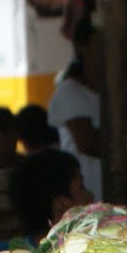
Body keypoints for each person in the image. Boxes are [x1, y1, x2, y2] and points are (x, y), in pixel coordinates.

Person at [46, 15, 103, 200]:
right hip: (87, 197)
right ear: (82, 47)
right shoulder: (70, 91)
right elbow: (87, 143)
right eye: (101, 43)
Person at [8, 146, 91, 241]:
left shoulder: (7, 248)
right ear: (61, 205)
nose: (91, 195)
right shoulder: (89, 247)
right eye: (81, 187)